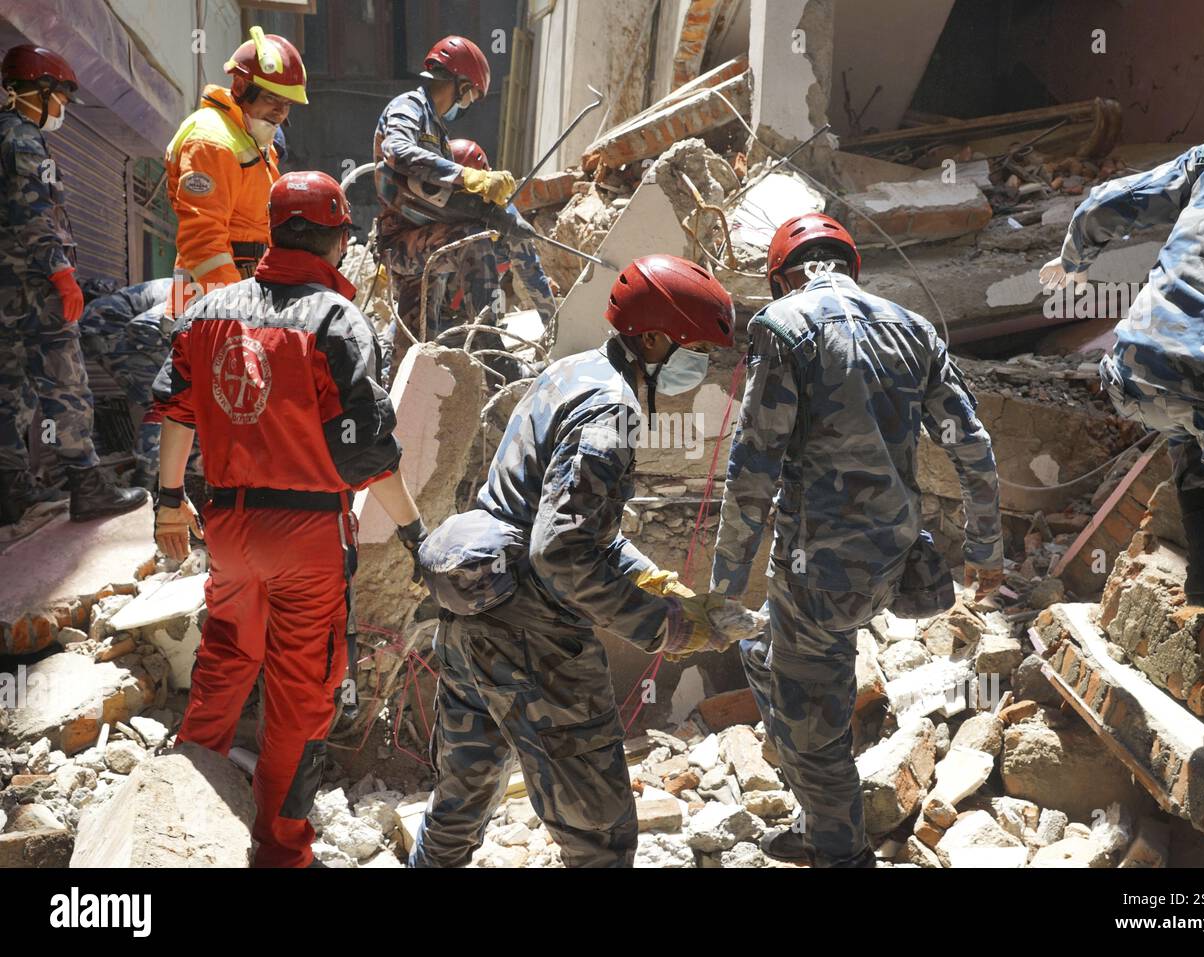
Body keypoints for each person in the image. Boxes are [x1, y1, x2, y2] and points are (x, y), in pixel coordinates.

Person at [408, 255, 735, 868]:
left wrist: (653, 579)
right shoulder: (608, 415)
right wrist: (663, 625)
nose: (702, 367)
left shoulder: (573, 371)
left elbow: (568, 524)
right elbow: (558, 552)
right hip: (534, 639)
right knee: (599, 833)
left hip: (473, 616)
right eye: (697, 349)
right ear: (657, 339)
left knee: (463, 795)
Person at [710, 213, 1004, 867]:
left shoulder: (782, 327)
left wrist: (724, 588)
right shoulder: (914, 329)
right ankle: (821, 802)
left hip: (818, 572)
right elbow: (972, 446)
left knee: (813, 722)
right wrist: (986, 548)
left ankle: (837, 845)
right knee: (764, 652)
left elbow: (753, 468)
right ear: (850, 265)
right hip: (896, 562)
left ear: (784, 276)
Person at [152, 171, 427, 867]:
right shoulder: (337, 321)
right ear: (338, 238)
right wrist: (416, 532)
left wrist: (166, 501)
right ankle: (280, 852)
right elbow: (369, 456)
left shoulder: (209, 310)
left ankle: (180, 818)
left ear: (273, 232)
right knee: (301, 699)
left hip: (230, 527)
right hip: (306, 535)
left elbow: (178, 410)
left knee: (223, 664)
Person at [1040, 137, 1204, 805]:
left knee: (1190, 417)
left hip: (1139, 371)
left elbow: (1105, 206)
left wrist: (1073, 264)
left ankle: (1203, 550)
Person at [0, 44, 148, 524]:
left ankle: (12, 490)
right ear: (39, 92)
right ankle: (87, 485)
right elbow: (33, 214)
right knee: (66, 385)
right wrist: (62, 276)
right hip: (34, 289)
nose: (61, 109)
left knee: (11, 388)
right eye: (60, 97)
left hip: (8, 293)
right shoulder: (22, 139)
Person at [373, 35, 529, 375]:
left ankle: (396, 409)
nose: (469, 102)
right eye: (471, 93)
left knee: (416, 346)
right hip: (401, 241)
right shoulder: (408, 108)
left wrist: (490, 210)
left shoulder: (438, 132)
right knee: (472, 240)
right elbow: (397, 152)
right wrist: (467, 176)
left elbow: (438, 197)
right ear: (460, 84)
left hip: (425, 239)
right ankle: (490, 345)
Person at [164, 26, 306, 316]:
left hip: (233, 288)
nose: (280, 112)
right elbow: (202, 239)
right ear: (241, 88)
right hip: (208, 298)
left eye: (287, 103)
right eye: (271, 98)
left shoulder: (253, 141)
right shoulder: (211, 140)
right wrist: (233, 308)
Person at [446, 137, 559, 325]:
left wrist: (552, 324)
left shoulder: (505, 218)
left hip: (479, 299)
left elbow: (530, 271)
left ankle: (484, 327)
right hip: (443, 298)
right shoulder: (438, 209)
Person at [77, 278, 173, 488]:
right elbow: (141, 328)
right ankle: (145, 481)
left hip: (104, 328)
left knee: (164, 400)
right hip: (107, 328)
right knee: (165, 401)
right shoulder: (196, 297)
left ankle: (147, 474)